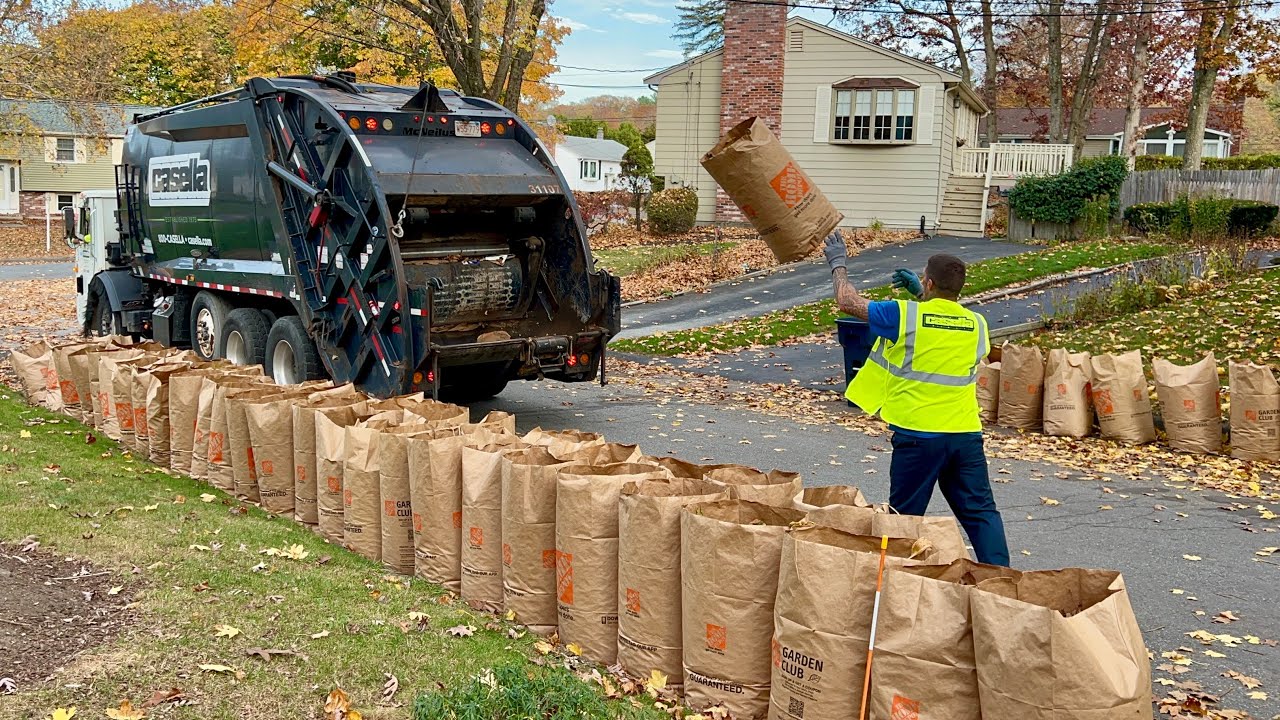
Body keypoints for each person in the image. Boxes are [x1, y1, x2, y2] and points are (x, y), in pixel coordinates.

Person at [823, 230, 1010, 566]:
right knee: (982, 514)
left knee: (904, 519)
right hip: (965, 435)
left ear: (928, 283)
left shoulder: (904, 315)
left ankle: (895, 583)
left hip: (918, 436)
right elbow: (946, 322)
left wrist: (838, 263)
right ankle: (1000, 584)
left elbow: (847, 302)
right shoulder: (978, 324)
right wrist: (926, 296)